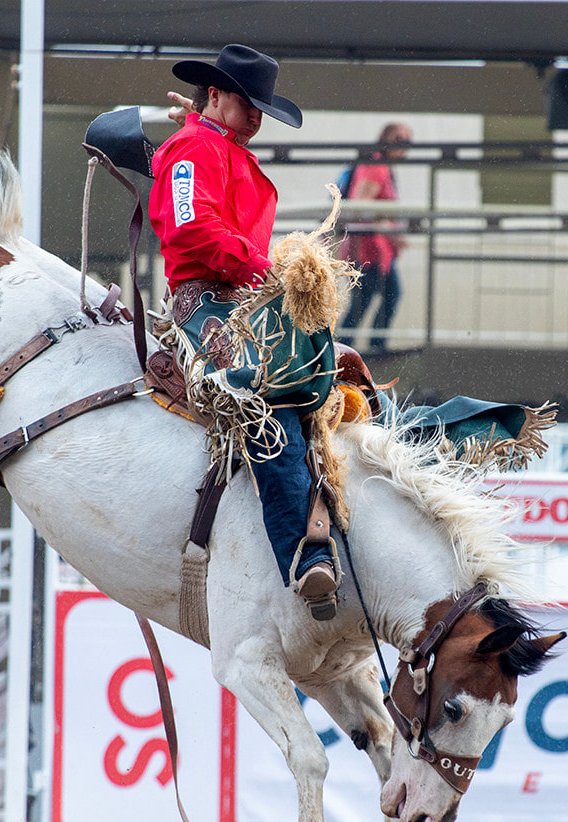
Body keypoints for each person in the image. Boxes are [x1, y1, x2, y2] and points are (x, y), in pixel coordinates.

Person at [149, 44, 341, 619]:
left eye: (262, 108)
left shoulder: (208, 144)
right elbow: (189, 229)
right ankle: (303, 555)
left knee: (332, 371)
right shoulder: (191, 148)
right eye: (247, 103)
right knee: (260, 391)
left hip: (242, 300)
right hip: (204, 301)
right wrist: (269, 270)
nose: (257, 117)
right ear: (217, 95)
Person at [338, 122, 412, 351]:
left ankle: (350, 347)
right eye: (399, 140)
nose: (404, 147)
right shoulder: (376, 165)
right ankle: (357, 347)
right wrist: (390, 230)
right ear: (386, 139)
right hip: (368, 250)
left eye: (407, 142)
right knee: (376, 297)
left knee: (369, 298)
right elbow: (361, 206)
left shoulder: (381, 165)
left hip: (376, 251)